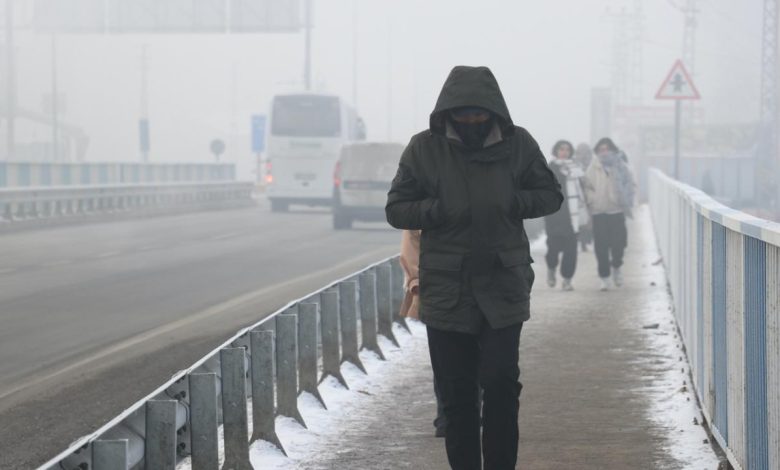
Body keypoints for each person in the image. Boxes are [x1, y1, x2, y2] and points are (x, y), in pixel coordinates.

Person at [386, 65, 563, 470]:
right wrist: (435, 210)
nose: (471, 122)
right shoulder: (423, 149)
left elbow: (549, 195)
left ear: (493, 111)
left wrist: (511, 202)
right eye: (463, 115)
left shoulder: (519, 145)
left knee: (502, 383)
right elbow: (396, 208)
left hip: (503, 283)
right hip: (448, 287)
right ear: (447, 112)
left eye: (479, 115)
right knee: (456, 394)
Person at [399, 229, 447, 438]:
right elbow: (412, 236)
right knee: (447, 361)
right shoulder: (429, 198)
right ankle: (447, 416)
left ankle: (460, 414)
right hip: (440, 291)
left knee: (482, 360)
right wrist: (415, 281)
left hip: (483, 289)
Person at [583, 137, 636, 291]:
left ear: (612, 149)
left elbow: (630, 184)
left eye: (607, 149)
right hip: (598, 212)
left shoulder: (620, 166)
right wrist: (592, 199)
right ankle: (605, 277)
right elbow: (587, 186)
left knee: (619, 244)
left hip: (616, 210)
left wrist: (626, 199)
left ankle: (617, 267)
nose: (604, 152)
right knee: (601, 247)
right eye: (601, 149)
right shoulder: (593, 167)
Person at [544, 140, 585, 291]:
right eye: (561, 149)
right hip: (554, 215)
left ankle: (567, 279)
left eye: (567, 149)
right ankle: (551, 268)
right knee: (553, 248)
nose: (564, 152)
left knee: (571, 250)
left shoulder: (576, 170)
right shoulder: (549, 168)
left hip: (572, 216)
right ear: (556, 151)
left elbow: (582, 192)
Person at [574, 143, 594, 252]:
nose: (583, 154)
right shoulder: (574, 164)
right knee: (581, 220)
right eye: (581, 152)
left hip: (589, 195)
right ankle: (583, 242)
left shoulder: (592, 163)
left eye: (585, 152)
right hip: (578, 196)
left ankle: (586, 240)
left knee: (589, 220)